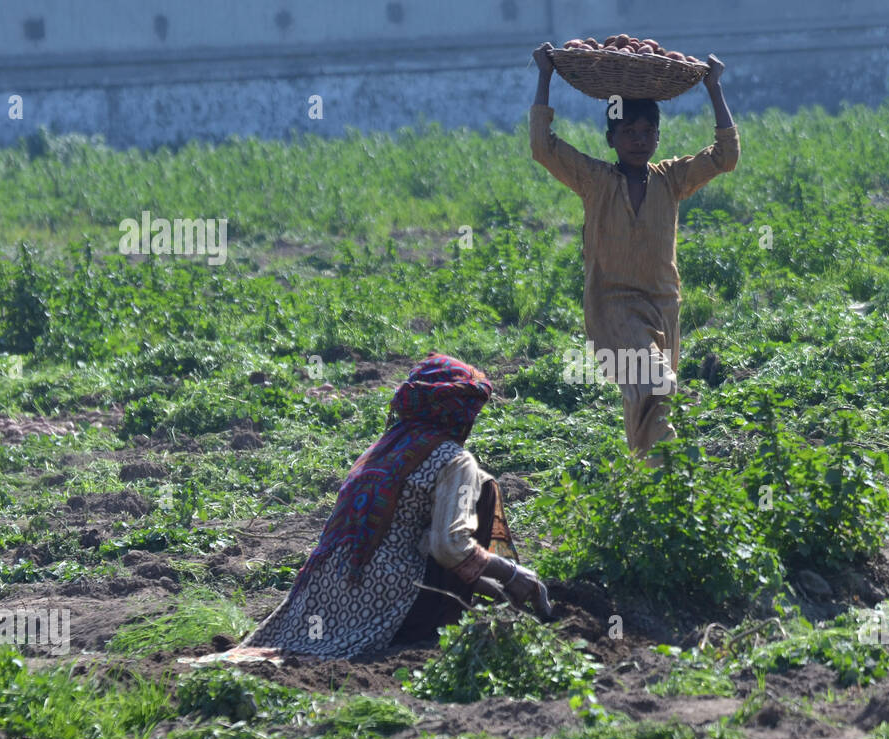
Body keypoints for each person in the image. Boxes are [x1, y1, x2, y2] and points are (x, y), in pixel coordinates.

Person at [240, 354, 551, 660]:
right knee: (482, 488)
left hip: (322, 601)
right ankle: (437, 623)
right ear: (460, 411)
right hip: (386, 605)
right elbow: (448, 546)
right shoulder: (455, 461)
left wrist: (489, 584)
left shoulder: (381, 449)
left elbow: (409, 541)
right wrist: (513, 574)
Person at [530, 42, 739, 460]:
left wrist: (714, 88)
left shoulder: (673, 179)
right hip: (614, 309)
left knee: (647, 401)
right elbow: (543, 146)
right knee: (658, 385)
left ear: (659, 137)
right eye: (629, 132)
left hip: (664, 307)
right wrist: (545, 75)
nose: (639, 141)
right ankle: (674, 475)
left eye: (647, 133)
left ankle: (646, 485)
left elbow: (725, 156)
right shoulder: (594, 180)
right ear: (611, 138)